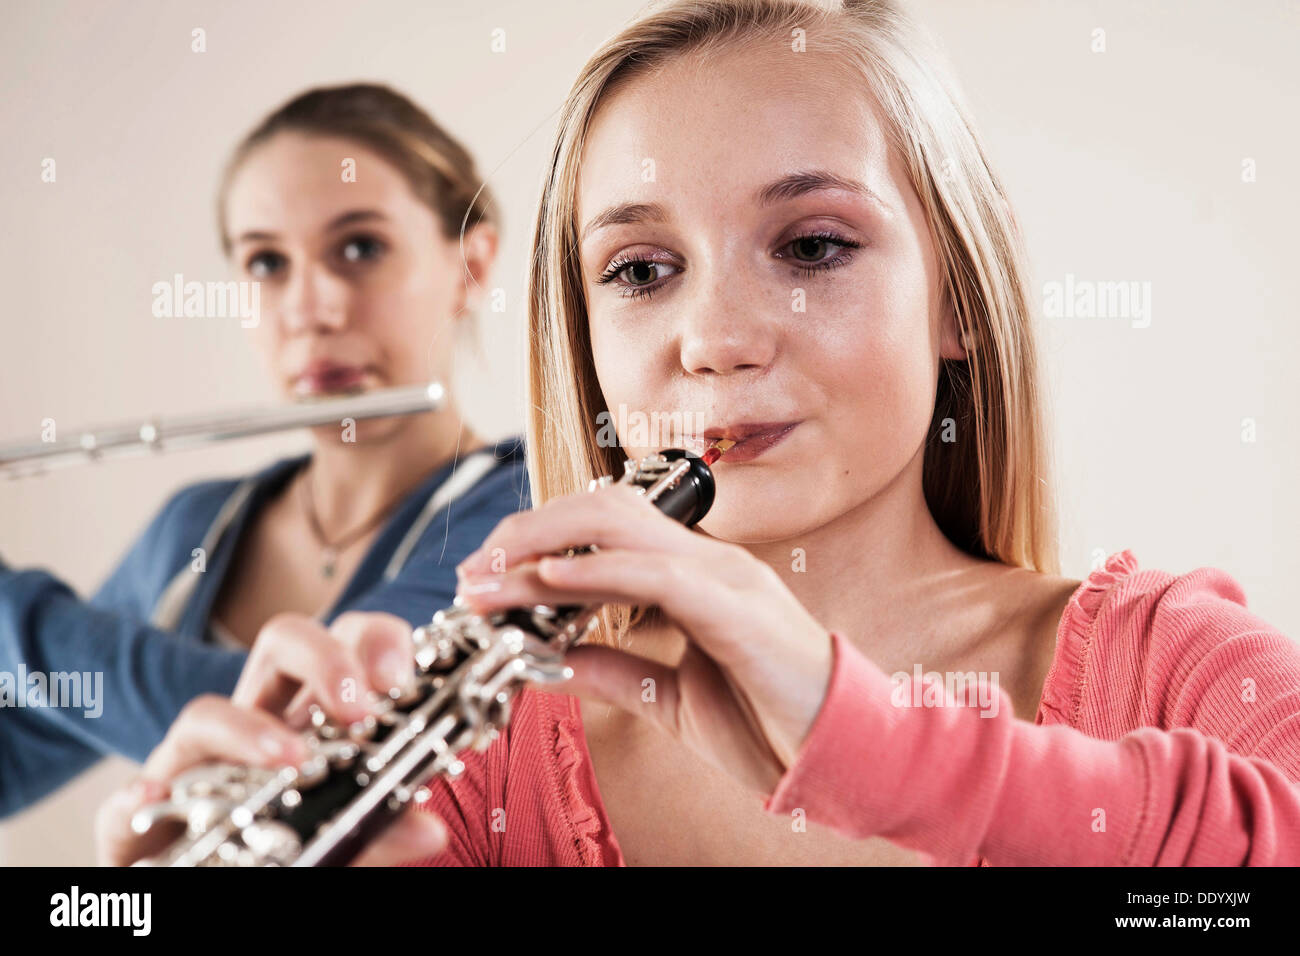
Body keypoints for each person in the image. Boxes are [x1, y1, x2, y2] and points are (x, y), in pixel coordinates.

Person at [97, 0, 1300, 867]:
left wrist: (870, 741)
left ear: (960, 301)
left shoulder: (1177, 664)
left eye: (813, 245)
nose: (713, 338)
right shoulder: (478, 781)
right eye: (641, 268)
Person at [0, 83, 525, 829]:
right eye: (267, 263)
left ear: (471, 265)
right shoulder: (197, 526)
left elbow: (303, 735)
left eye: (360, 248)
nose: (311, 308)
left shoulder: (521, 506)